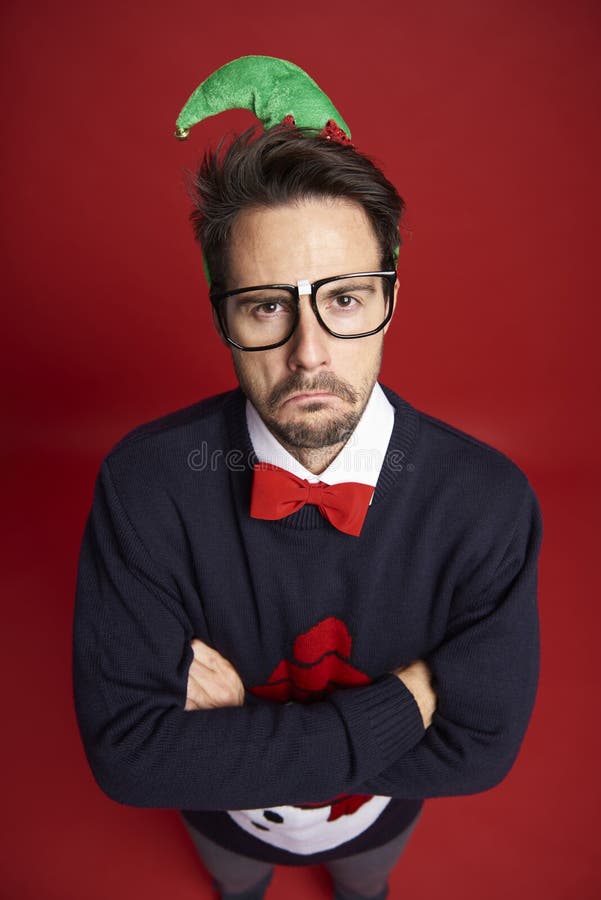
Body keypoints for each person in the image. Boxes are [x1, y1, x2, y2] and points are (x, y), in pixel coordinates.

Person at [72, 59, 542, 900]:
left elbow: (480, 753)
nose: (309, 352)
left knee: (364, 887)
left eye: (346, 299)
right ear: (222, 311)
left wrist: (232, 736)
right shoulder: (144, 485)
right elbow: (129, 760)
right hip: (222, 823)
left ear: (391, 291)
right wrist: (413, 700)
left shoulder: (488, 503)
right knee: (237, 885)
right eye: (265, 306)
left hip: (379, 818)